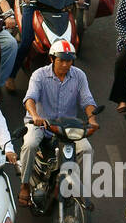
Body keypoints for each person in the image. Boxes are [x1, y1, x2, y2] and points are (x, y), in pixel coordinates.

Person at [19, 39, 99, 204]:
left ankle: (72, 183)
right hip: (41, 124)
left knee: (87, 150)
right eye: (61, 60)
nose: (65, 64)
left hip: (66, 126)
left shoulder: (79, 76)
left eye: (68, 60)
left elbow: (87, 100)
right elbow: (30, 98)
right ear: (52, 59)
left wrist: (92, 119)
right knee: (30, 144)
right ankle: (25, 184)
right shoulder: (39, 75)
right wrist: (35, 115)